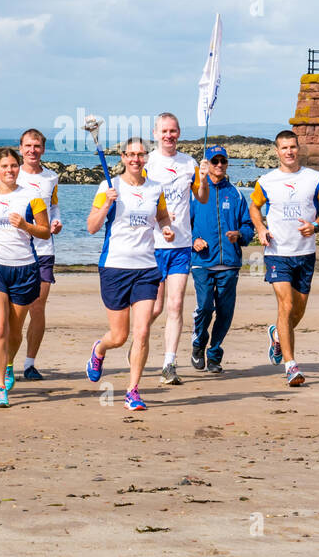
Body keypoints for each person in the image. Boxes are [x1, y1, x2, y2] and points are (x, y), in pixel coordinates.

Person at [85, 136, 175, 411]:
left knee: (143, 331)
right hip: (114, 267)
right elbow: (91, 226)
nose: (136, 159)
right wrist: (106, 205)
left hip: (147, 268)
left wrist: (167, 229)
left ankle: (132, 391)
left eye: (141, 154)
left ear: (146, 157)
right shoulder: (108, 186)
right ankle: (100, 349)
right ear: (123, 157)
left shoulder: (155, 189)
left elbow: (162, 217)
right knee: (119, 336)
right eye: (131, 154)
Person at [248, 130, 319, 387]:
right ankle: (291, 366)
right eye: (284, 148)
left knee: (297, 311)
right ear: (277, 151)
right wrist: (261, 228)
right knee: (285, 306)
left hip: (305, 253)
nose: (289, 152)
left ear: (299, 149)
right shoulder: (266, 181)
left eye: (293, 147)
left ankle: (277, 334)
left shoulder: (315, 179)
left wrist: (315, 226)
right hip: (277, 253)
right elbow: (254, 206)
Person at [0, 147, 51, 408]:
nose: (9, 170)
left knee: (15, 331)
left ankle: (9, 364)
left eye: (13, 165)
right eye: (4, 166)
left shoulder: (32, 196)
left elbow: (46, 231)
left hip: (24, 268)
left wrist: (26, 226)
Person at [143, 112, 208, 385]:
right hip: (152, 246)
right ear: (156, 133)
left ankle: (169, 363)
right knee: (153, 308)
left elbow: (201, 198)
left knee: (176, 304)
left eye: (173, 131)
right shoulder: (147, 163)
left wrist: (203, 179)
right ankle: (138, 345)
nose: (169, 135)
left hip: (181, 245)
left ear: (179, 133)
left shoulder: (188, 163)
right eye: (164, 131)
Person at [188, 145, 254, 373]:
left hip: (229, 263)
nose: (219, 165)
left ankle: (214, 353)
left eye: (222, 161)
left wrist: (240, 235)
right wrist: (194, 240)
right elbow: (181, 226)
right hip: (202, 262)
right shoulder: (196, 193)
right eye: (214, 161)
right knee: (205, 307)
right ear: (206, 164)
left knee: (225, 312)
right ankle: (198, 343)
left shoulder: (235, 194)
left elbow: (248, 226)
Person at [16, 128, 61, 380]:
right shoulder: (12, 173)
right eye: (28, 146)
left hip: (44, 250)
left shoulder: (50, 178)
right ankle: (8, 361)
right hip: (16, 251)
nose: (32, 150)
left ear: (43, 149)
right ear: (21, 148)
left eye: (37, 146)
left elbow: (54, 207)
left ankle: (30, 363)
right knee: (17, 310)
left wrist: (56, 223)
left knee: (38, 307)